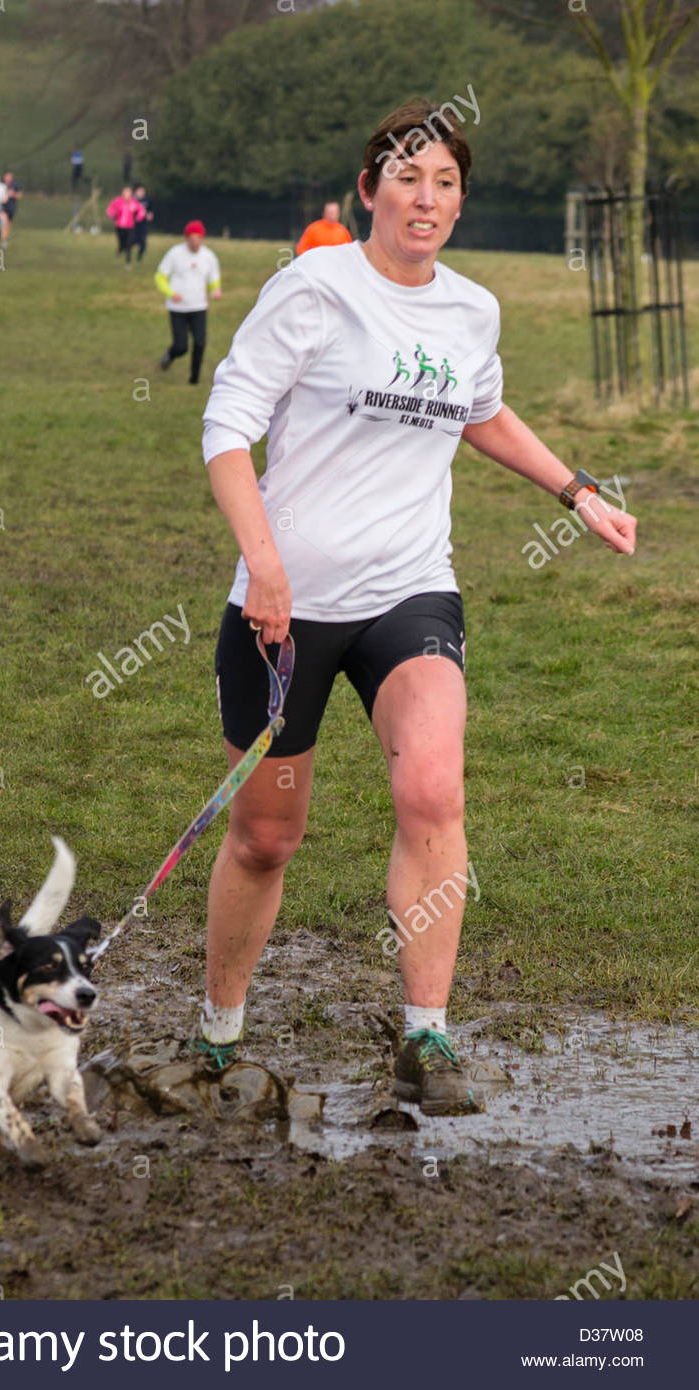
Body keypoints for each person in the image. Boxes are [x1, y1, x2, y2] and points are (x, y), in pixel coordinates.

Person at [194, 98, 637, 1115]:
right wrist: (261, 563)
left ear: (458, 198)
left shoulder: (469, 309)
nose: (424, 198)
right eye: (405, 178)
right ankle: (218, 1031)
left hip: (409, 587)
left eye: (443, 182)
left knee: (433, 788)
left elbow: (476, 408)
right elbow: (227, 427)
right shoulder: (312, 289)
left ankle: (425, 1035)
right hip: (286, 606)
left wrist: (574, 492)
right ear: (368, 192)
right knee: (266, 837)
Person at [155, 221, 222, 385]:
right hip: (177, 308)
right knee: (181, 346)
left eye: (198, 238)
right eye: (192, 239)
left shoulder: (209, 257)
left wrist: (215, 290)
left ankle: (194, 379)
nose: (195, 242)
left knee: (200, 343)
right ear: (186, 238)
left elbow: (214, 279)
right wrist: (170, 293)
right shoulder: (174, 254)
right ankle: (169, 356)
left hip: (199, 307)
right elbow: (160, 277)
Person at [105, 186, 146, 265]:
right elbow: (110, 209)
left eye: (129, 193)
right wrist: (112, 215)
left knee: (129, 243)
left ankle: (128, 260)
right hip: (119, 226)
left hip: (130, 227)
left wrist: (138, 218)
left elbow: (141, 211)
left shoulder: (134, 203)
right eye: (125, 193)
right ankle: (120, 250)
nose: (127, 195)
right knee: (122, 243)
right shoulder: (118, 201)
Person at [132, 184, 155, 261]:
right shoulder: (133, 200)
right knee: (134, 239)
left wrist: (150, 214)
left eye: (142, 191)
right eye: (139, 191)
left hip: (144, 222)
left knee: (143, 239)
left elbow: (151, 209)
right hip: (134, 223)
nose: (141, 192)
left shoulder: (147, 199)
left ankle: (140, 255)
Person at [0, 171, 22, 244]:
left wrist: (13, 194)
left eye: (9, 176)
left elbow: (19, 195)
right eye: (6, 176)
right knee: (4, 222)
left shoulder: (15, 185)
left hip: (11, 207)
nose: (7, 178)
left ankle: (5, 238)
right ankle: (2, 238)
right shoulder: (1, 185)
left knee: (8, 224)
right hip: (2, 207)